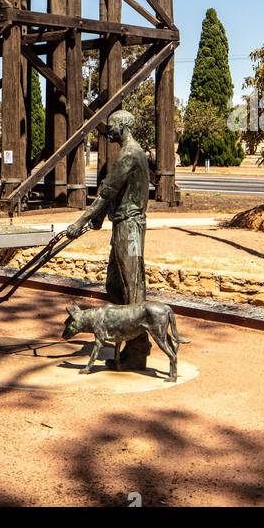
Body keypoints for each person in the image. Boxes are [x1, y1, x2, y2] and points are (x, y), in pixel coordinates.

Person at [65, 108, 150, 368]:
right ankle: (126, 340)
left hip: (130, 228)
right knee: (115, 285)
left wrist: (78, 223)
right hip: (121, 226)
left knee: (131, 286)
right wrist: (99, 219)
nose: (108, 130)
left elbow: (106, 194)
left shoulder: (129, 154)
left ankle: (138, 349)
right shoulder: (129, 152)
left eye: (111, 126)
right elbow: (115, 195)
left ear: (123, 126)